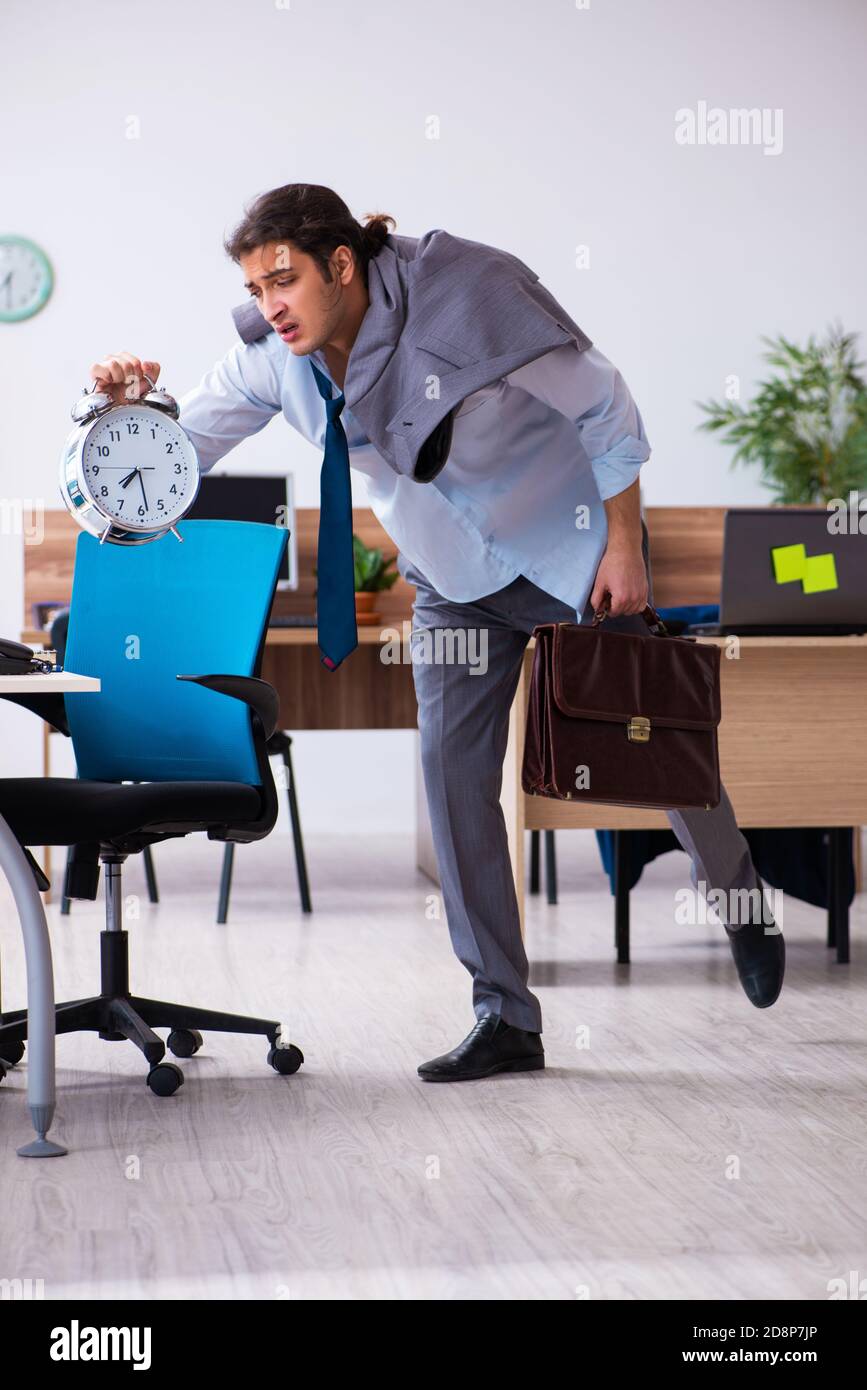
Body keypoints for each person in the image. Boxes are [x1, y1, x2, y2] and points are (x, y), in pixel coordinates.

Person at [89, 184, 785, 1084]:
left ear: (341, 265)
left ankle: (740, 900)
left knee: (655, 747)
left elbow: (606, 405)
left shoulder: (467, 308)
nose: (270, 306)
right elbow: (179, 456)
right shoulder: (273, 359)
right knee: (454, 786)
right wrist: (123, 413)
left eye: (284, 281)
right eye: (257, 288)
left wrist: (624, 546)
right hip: (451, 577)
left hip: (568, 546)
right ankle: (505, 1015)